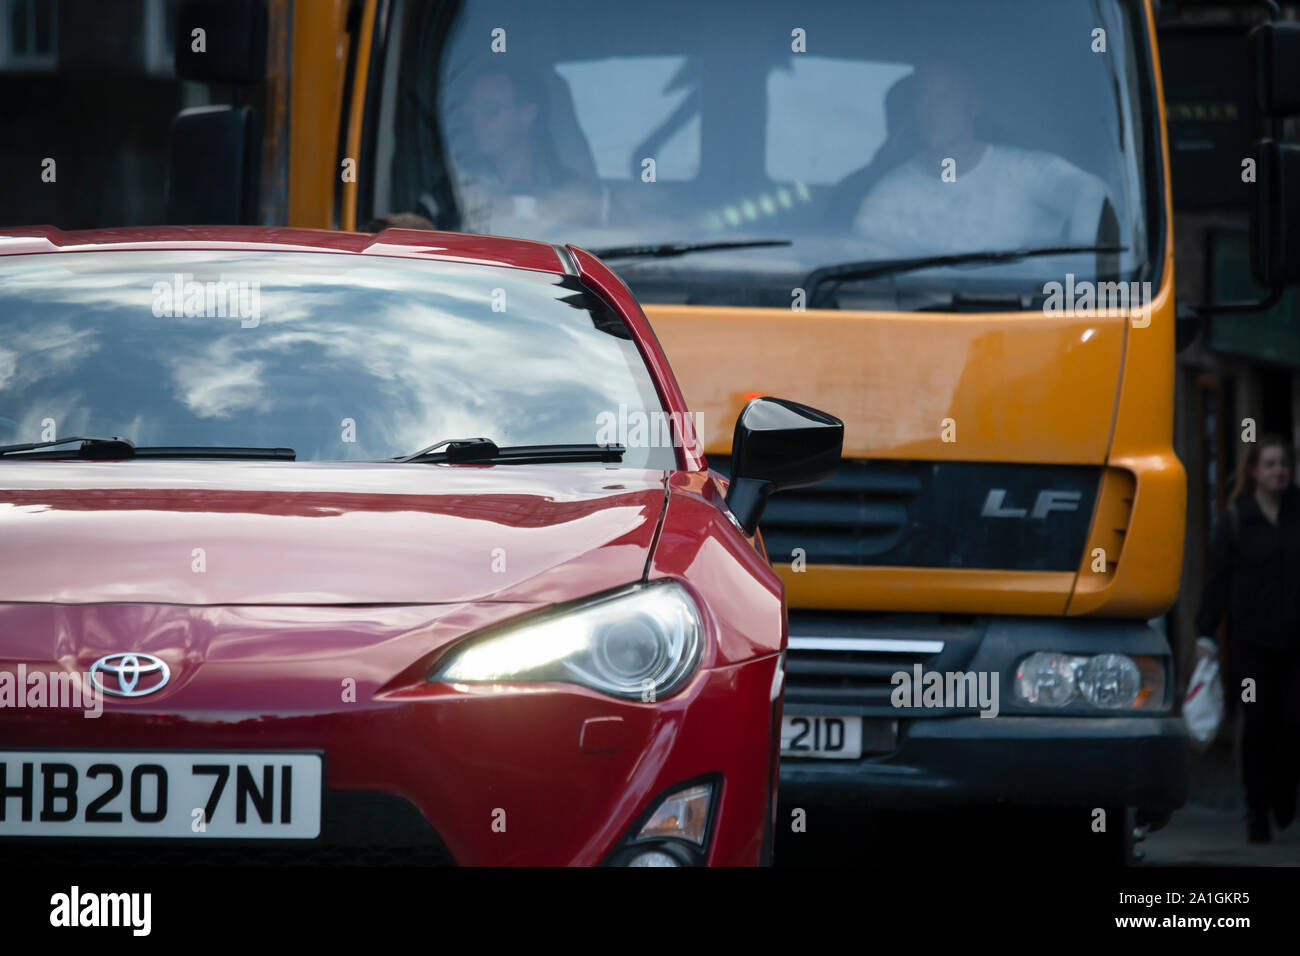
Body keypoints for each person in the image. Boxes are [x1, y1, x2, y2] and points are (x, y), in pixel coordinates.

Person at [849, 57, 1111, 255]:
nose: (932, 109)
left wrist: (1081, 265)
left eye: (944, 96)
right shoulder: (891, 194)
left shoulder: (1024, 171)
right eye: (923, 99)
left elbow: (1091, 193)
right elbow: (864, 249)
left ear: (973, 104)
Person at [1195, 435, 1300, 843]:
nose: (1279, 471)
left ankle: (1285, 794)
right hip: (1252, 652)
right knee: (1257, 726)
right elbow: (1217, 582)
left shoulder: (1297, 513)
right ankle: (1256, 810)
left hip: (1294, 650)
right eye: (1271, 464)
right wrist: (1204, 633)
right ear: (1255, 471)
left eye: (1284, 464)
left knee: (1293, 722)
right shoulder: (1237, 520)